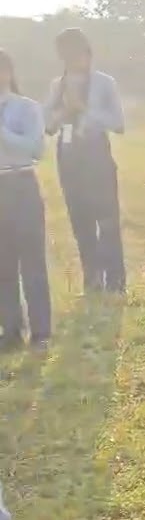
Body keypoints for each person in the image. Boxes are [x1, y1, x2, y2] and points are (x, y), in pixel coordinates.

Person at [42, 28, 126, 294]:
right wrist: (63, 111)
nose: (70, 61)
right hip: (68, 157)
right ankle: (92, 279)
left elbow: (118, 124)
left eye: (75, 54)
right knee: (80, 221)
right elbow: (47, 125)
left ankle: (115, 282)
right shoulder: (58, 85)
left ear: (87, 54)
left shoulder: (104, 83)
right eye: (64, 56)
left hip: (96, 153)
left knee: (108, 220)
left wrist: (84, 110)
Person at [0, 49, 51, 352]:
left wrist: (3, 132)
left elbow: (36, 149)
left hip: (20, 184)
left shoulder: (27, 108)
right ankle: (10, 329)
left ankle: (41, 333)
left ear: (7, 72)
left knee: (32, 263)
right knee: (2, 265)